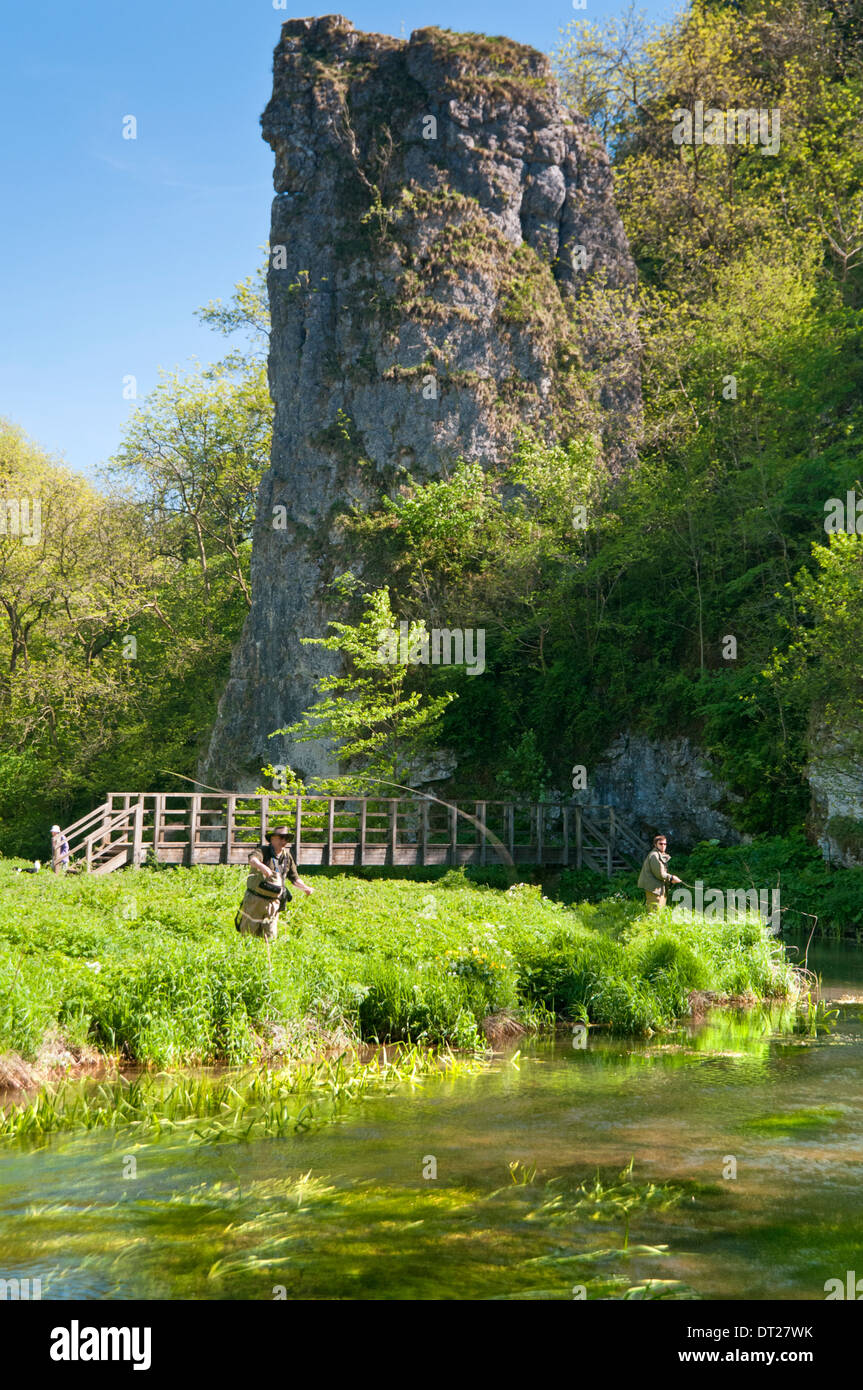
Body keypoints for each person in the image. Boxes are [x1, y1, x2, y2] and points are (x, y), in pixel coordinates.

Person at [235, 825, 313, 944]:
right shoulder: (263, 851)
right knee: (248, 937)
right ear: (272, 839)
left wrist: (305, 888)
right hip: (255, 901)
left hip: (274, 904)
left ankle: (266, 959)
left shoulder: (287, 857)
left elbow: (295, 879)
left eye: (286, 838)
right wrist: (262, 867)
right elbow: (252, 859)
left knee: (270, 939)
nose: (284, 841)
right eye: (281, 837)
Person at [637, 833, 680, 912]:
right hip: (654, 889)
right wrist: (671, 878)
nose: (663, 846)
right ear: (655, 844)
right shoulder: (654, 855)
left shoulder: (658, 854)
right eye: (660, 844)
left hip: (658, 888)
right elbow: (660, 874)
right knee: (654, 912)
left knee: (659, 910)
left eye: (665, 844)